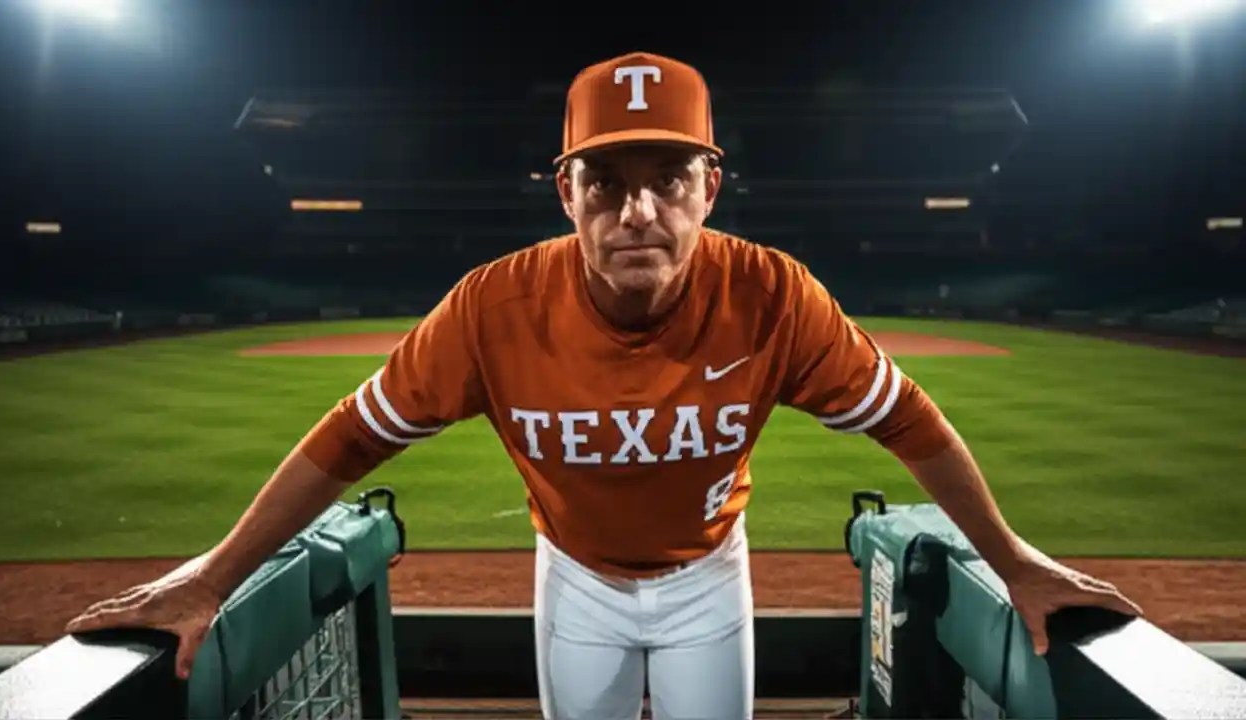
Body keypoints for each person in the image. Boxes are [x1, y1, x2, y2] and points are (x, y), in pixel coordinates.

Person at [66, 51, 1142, 720]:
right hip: (570, 575)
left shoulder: (772, 295)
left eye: (668, 179)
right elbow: (349, 438)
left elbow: (910, 423)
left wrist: (1013, 562)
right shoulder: (490, 307)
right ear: (565, 191)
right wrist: (211, 576)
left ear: (709, 188)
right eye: (607, 181)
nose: (639, 212)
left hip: (708, 576)